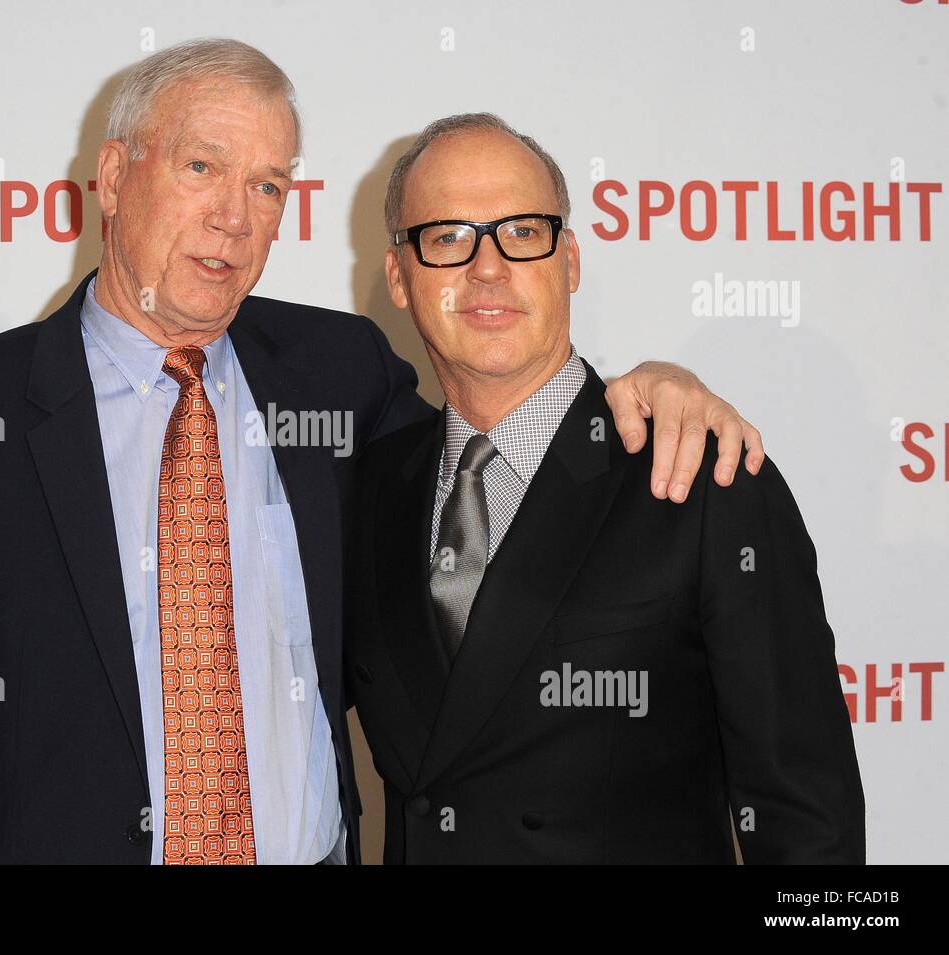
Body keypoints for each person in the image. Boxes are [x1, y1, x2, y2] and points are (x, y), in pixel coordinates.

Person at [0, 39, 764, 865]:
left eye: (268, 184)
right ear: (111, 177)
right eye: (201, 166)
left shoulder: (339, 374)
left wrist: (650, 386)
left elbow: (504, 444)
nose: (237, 214)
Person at [344, 112, 864, 864]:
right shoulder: (366, 491)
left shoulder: (700, 475)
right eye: (448, 237)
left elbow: (808, 818)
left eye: (522, 231)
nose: (487, 268)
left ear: (570, 260)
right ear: (399, 275)